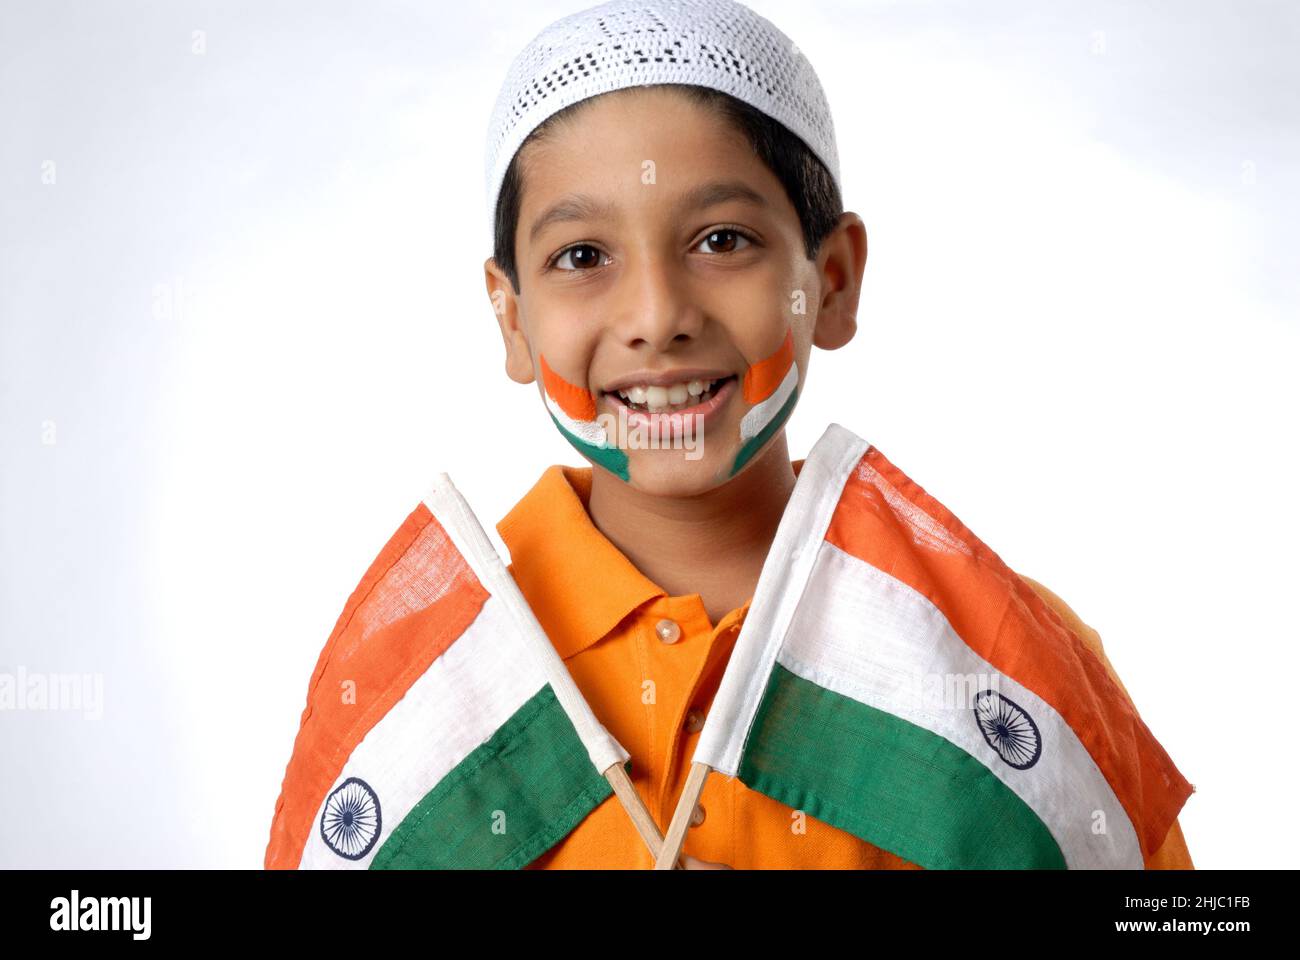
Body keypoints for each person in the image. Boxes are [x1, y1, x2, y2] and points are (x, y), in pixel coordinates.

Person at [266, 0, 1194, 870]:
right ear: (512, 319)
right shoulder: (420, 682)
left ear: (831, 279)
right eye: (581, 257)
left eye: (721, 241)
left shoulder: (999, 654)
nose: (657, 315)